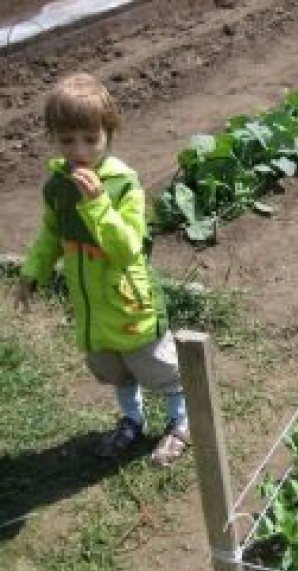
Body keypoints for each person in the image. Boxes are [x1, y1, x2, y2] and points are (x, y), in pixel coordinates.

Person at [13, 72, 189, 466]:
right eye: (67, 140)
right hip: (90, 307)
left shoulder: (124, 184)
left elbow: (127, 250)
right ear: (54, 138)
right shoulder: (57, 187)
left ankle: (181, 421)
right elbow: (50, 234)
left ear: (108, 133)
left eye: (90, 139)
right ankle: (132, 420)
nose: (80, 151)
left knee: (157, 366)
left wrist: (97, 206)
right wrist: (32, 274)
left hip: (129, 304)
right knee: (113, 369)